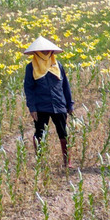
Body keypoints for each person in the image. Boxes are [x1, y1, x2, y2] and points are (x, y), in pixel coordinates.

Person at [21, 37, 74, 169]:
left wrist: (70, 104)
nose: (46, 53)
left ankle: (67, 162)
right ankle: (40, 162)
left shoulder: (58, 66)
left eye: (48, 50)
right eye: (42, 51)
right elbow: (29, 89)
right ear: (37, 52)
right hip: (41, 106)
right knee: (39, 134)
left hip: (59, 105)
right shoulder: (31, 67)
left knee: (63, 133)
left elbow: (65, 86)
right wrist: (32, 108)